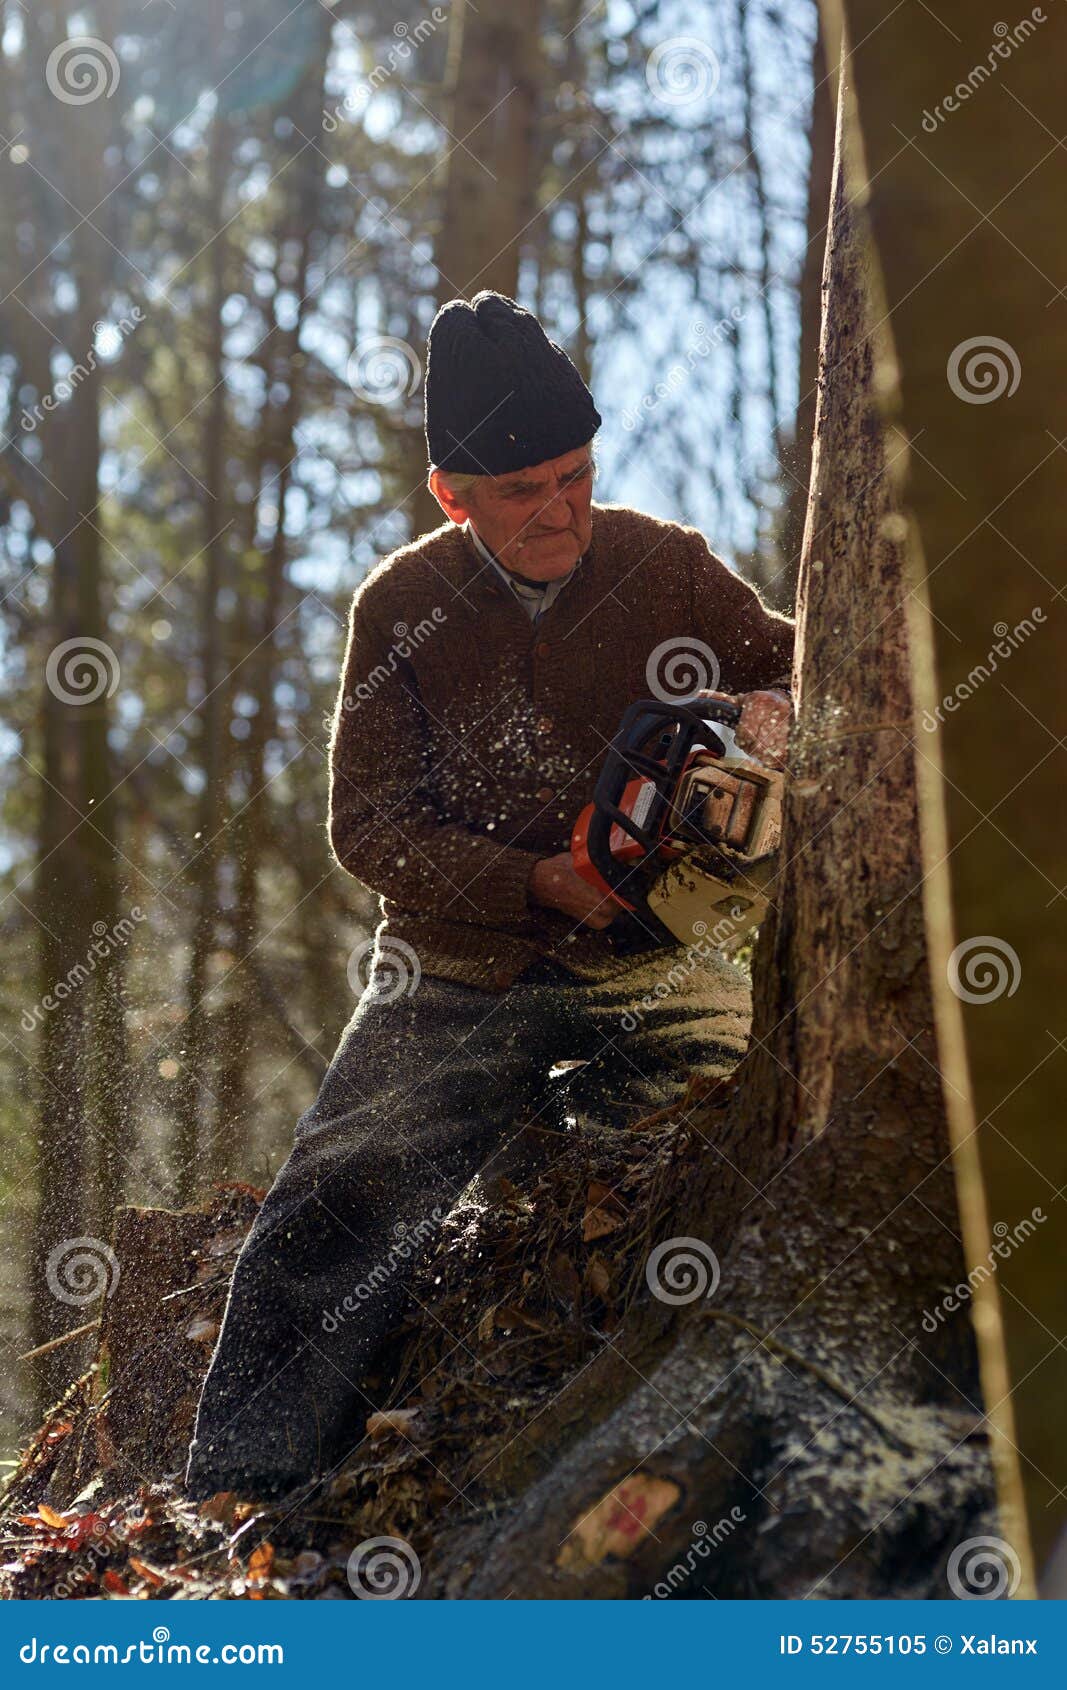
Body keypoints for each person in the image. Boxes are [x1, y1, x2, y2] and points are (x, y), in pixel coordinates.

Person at [185, 291, 793, 1498]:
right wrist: (534, 883)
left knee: (711, 1141)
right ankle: (238, 1492)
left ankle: (695, 1454)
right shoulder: (399, 608)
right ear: (452, 495)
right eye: (525, 490)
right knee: (338, 1196)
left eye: (575, 473)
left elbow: (788, 653)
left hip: (659, 955)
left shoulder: (663, 566)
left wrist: (774, 706)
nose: (562, 506)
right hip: (453, 967)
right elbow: (366, 827)